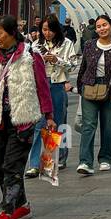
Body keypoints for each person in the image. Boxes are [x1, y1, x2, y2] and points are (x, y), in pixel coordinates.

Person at [0, 16, 55, 219]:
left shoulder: (30, 56)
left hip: (23, 120)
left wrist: (48, 115)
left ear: (12, 33)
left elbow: (42, 87)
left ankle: (6, 211)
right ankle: (22, 205)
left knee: (12, 166)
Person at [74, 14, 111, 175]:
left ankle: (105, 158)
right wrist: (80, 88)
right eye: (98, 26)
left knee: (107, 126)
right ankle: (85, 162)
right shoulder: (90, 45)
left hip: (109, 90)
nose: (102, 29)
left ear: (110, 26)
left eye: (104, 25)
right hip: (89, 88)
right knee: (88, 125)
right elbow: (83, 67)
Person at [28, 14, 77, 174]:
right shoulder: (35, 44)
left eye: (50, 30)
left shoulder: (66, 44)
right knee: (39, 124)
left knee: (59, 121)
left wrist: (56, 60)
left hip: (57, 85)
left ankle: (60, 157)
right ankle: (35, 163)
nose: (47, 33)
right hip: (40, 85)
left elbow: (72, 65)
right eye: (44, 30)